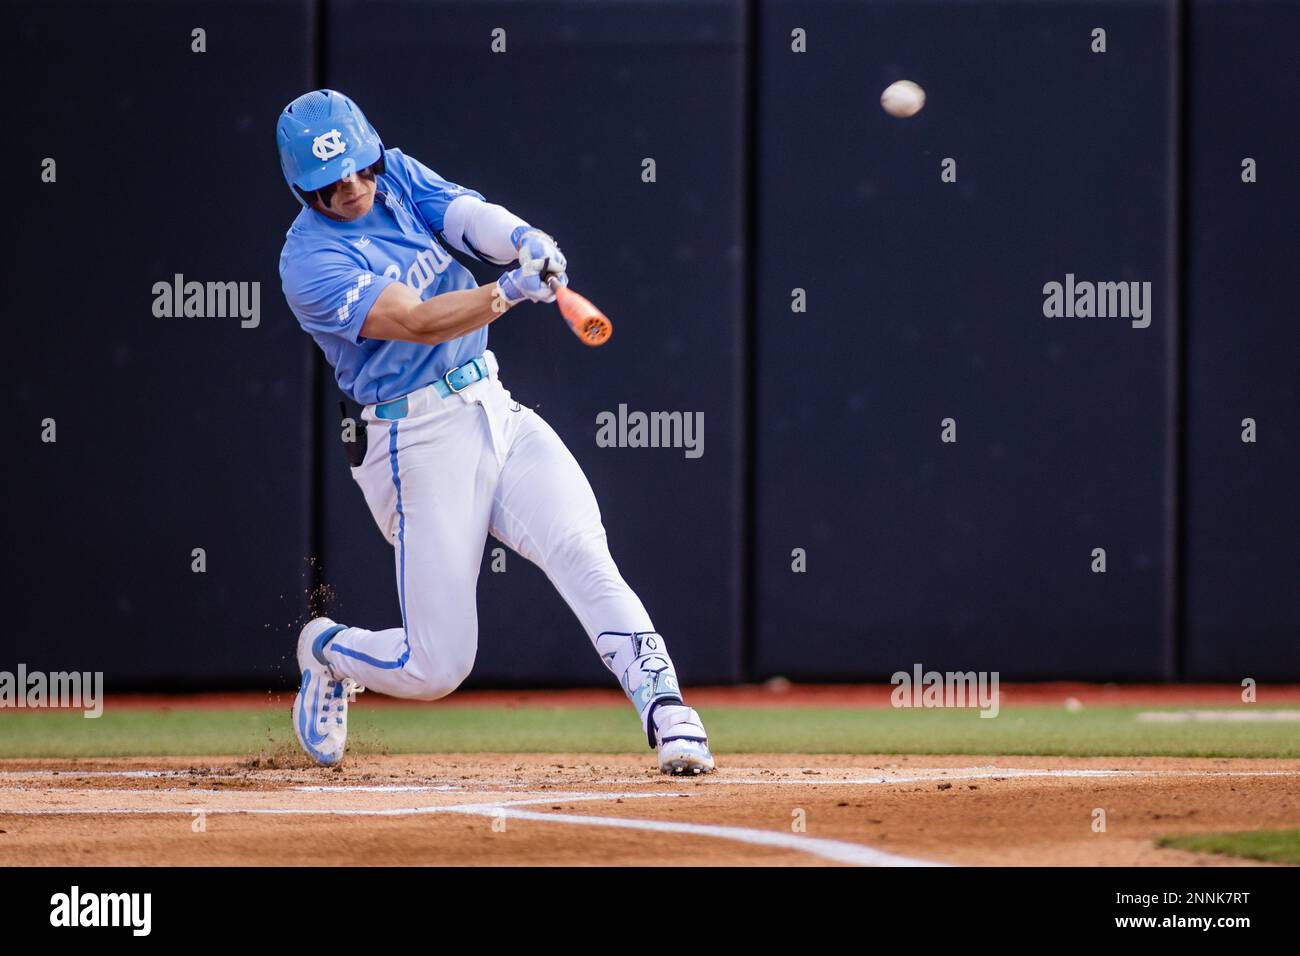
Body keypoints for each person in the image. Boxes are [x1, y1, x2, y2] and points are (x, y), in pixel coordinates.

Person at [276, 89, 714, 774]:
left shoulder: (394, 177)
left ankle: (666, 708)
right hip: (413, 443)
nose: (354, 188)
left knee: (580, 548)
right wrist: (507, 291)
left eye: (361, 169)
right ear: (305, 190)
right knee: (438, 665)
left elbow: (464, 214)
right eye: (332, 184)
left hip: (492, 404)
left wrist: (524, 241)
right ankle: (329, 651)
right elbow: (417, 319)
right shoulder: (308, 264)